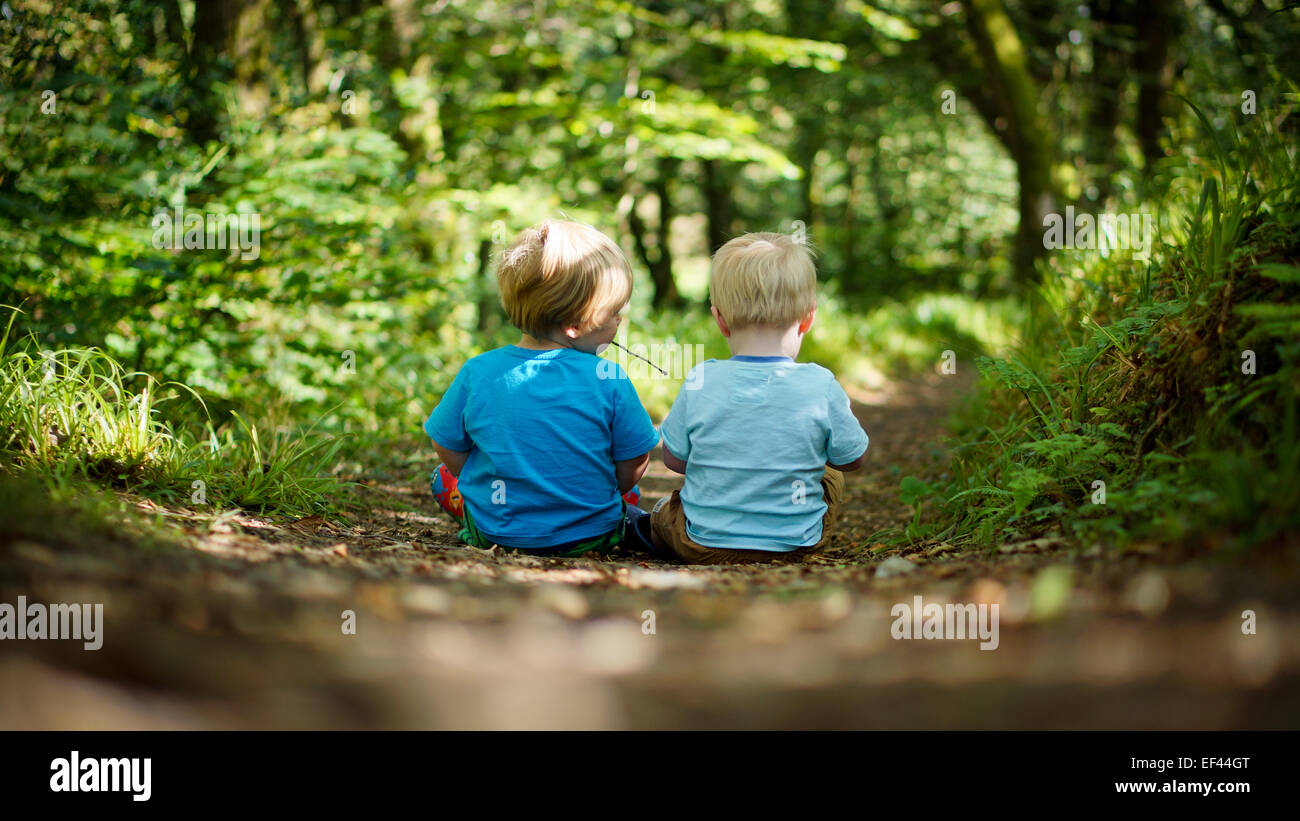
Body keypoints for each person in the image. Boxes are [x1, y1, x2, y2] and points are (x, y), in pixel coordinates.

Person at [426, 219, 660, 557]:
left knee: (440, 477)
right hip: (590, 536)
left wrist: (479, 478)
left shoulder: (478, 372)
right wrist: (609, 488)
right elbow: (635, 459)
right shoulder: (609, 376)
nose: (619, 321)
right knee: (626, 495)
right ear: (575, 326)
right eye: (613, 314)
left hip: (496, 532)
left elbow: (444, 442)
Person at [642, 232, 869, 564]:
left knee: (664, 510)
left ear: (719, 319)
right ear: (809, 317)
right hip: (796, 545)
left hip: (702, 545)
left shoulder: (701, 379)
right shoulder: (820, 384)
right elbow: (853, 458)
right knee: (832, 475)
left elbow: (675, 462)